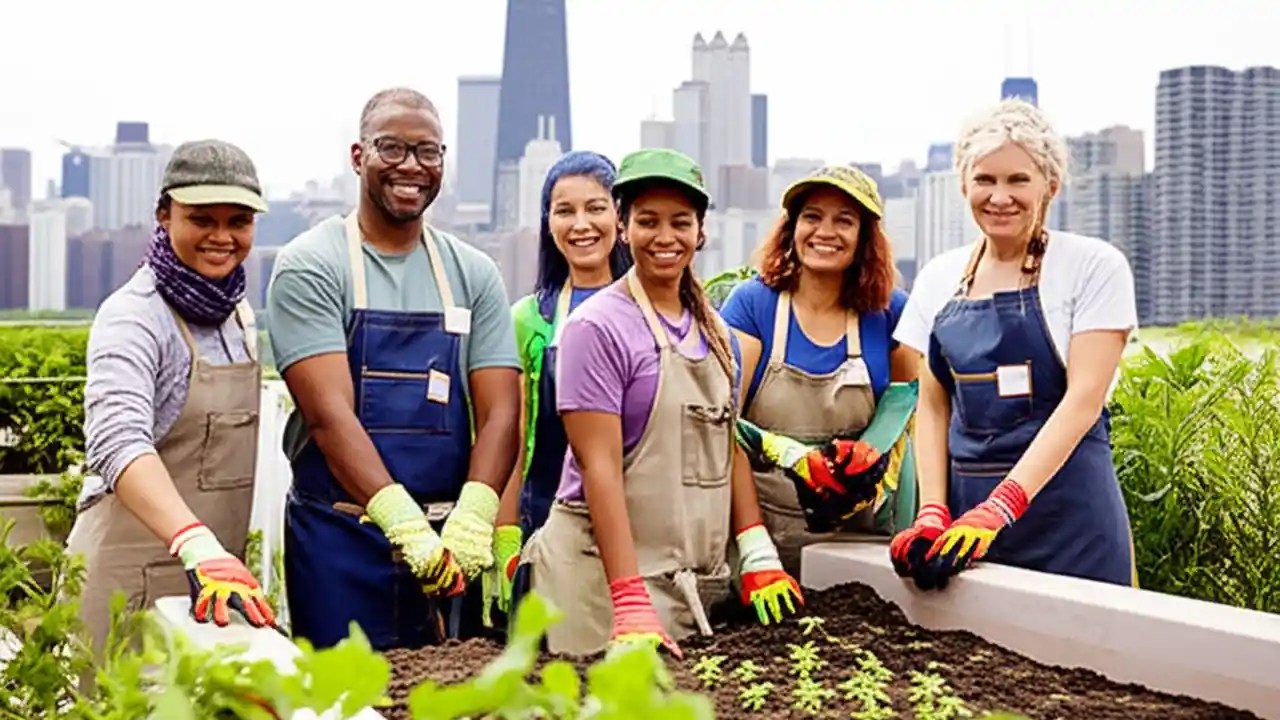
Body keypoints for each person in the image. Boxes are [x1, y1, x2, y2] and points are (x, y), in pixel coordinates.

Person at [519, 148, 803, 658]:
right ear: (624, 228)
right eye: (647, 221)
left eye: (680, 222)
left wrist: (756, 546)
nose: (665, 237)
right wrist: (627, 599)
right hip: (599, 581)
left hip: (686, 581)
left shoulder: (715, 330)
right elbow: (597, 464)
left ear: (701, 232)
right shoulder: (597, 327)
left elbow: (726, 441)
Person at [266, 87, 521, 651]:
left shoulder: (473, 272)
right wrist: (403, 525)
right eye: (392, 149)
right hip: (340, 539)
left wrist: (477, 512)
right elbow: (330, 416)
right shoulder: (312, 265)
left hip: (449, 546)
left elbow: (502, 407)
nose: (412, 166)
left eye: (428, 153)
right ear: (358, 157)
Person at [889, 99, 1138, 590]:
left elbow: (1083, 400)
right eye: (985, 179)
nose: (1000, 196)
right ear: (963, 184)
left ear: (1050, 184)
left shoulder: (1093, 266)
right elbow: (933, 406)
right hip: (966, 519)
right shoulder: (940, 277)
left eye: (1018, 180)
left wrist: (1003, 506)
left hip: (1069, 512)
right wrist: (933, 510)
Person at [70, 139, 277, 656]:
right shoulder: (133, 316)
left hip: (212, 581)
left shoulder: (239, 314)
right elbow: (118, 442)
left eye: (238, 221)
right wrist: (193, 541)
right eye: (202, 219)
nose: (222, 237)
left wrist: (211, 556)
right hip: (127, 572)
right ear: (164, 215)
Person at [719, 164, 918, 576]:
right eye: (812, 216)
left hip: (856, 538)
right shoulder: (753, 306)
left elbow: (905, 406)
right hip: (763, 527)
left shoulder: (891, 312)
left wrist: (867, 455)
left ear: (865, 238)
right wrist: (755, 541)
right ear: (791, 228)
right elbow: (723, 425)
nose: (825, 232)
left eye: (844, 220)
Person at [487, 151, 632, 623]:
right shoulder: (528, 320)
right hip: (547, 526)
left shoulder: (655, 313)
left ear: (621, 218)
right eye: (564, 210)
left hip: (642, 525)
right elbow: (512, 435)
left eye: (596, 207)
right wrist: (507, 535)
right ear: (548, 223)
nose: (581, 224)